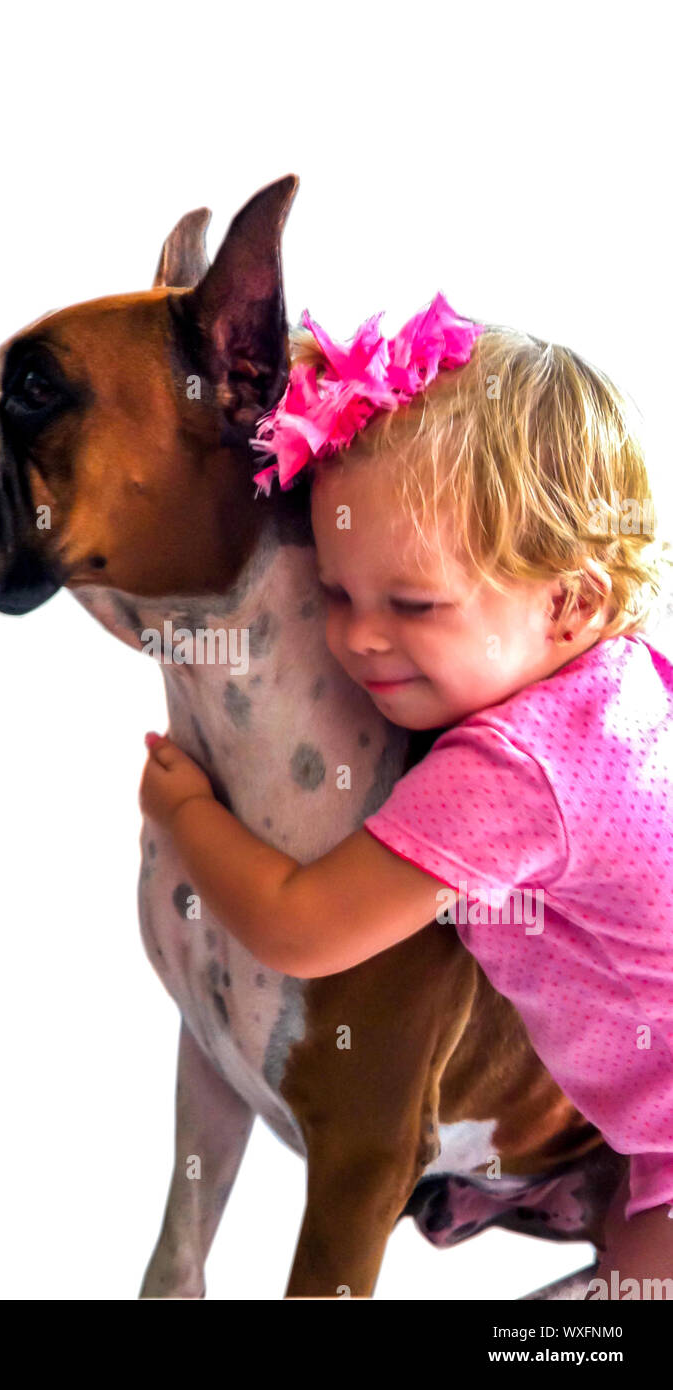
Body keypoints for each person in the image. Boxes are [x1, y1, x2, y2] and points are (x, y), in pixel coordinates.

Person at [139, 294, 673, 1296]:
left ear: (570, 602)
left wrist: (185, 812)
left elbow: (300, 929)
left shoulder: (518, 769)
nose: (359, 639)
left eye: (412, 605)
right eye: (336, 594)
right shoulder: (621, 685)